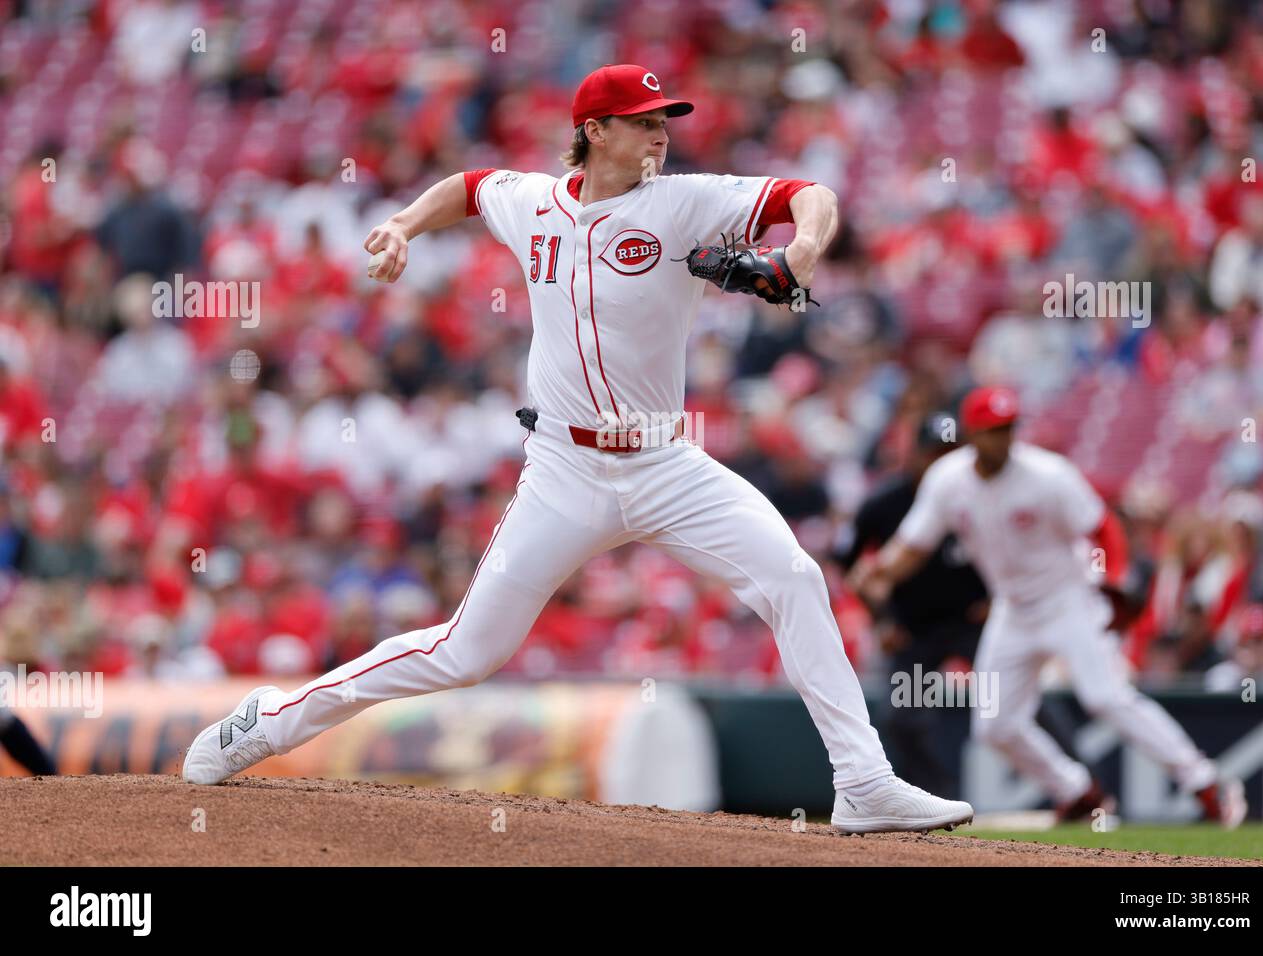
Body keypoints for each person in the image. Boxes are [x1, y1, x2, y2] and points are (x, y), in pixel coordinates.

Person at [183, 63, 973, 834]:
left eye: (665, 121)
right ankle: (269, 721)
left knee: (794, 576)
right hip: (565, 467)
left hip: (666, 462)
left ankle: (864, 782)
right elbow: (467, 186)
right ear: (594, 131)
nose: (662, 135)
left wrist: (798, 254)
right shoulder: (532, 201)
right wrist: (400, 225)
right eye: (645, 122)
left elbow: (811, 195)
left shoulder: (686, 201)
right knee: (465, 652)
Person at [856, 385, 1246, 827]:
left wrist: (1113, 578)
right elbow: (913, 545)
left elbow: (1103, 528)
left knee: (1106, 697)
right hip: (1013, 608)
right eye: (991, 430)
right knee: (994, 726)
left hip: (1068, 599)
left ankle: (1205, 781)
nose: (1001, 438)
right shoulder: (949, 480)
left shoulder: (1048, 474)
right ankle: (1076, 790)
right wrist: (881, 570)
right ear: (970, 433)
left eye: (1007, 428)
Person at [840, 414, 988, 797]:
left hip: (972, 624)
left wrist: (994, 599)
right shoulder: (884, 503)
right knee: (904, 717)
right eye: (933, 454)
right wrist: (882, 619)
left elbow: (1009, 551)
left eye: (948, 454)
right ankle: (934, 798)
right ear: (916, 455)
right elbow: (851, 566)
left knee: (1025, 702)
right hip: (914, 631)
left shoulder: (977, 497)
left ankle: (1078, 793)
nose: (940, 463)